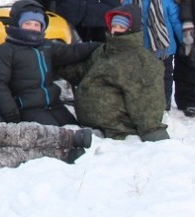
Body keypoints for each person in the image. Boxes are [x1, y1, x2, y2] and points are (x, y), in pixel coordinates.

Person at [0, 0, 98, 126]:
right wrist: (11, 113)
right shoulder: (6, 50)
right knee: (54, 137)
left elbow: (73, 51)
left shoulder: (46, 46)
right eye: (27, 24)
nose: (33, 28)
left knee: (76, 131)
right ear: (17, 25)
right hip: (28, 108)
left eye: (37, 25)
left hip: (54, 105)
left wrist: (102, 45)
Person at [72, 9, 169, 142]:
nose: (115, 30)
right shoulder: (105, 50)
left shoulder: (141, 60)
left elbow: (147, 100)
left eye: (121, 27)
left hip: (118, 129)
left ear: (131, 29)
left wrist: (152, 132)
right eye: (114, 26)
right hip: (95, 125)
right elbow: (85, 72)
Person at [122, 0, 186, 112]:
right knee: (143, 77)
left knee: (164, 77)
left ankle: (164, 104)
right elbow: (124, 23)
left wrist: (184, 39)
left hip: (164, 48)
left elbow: (175, 20)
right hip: (140, 48)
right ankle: (145, 104)